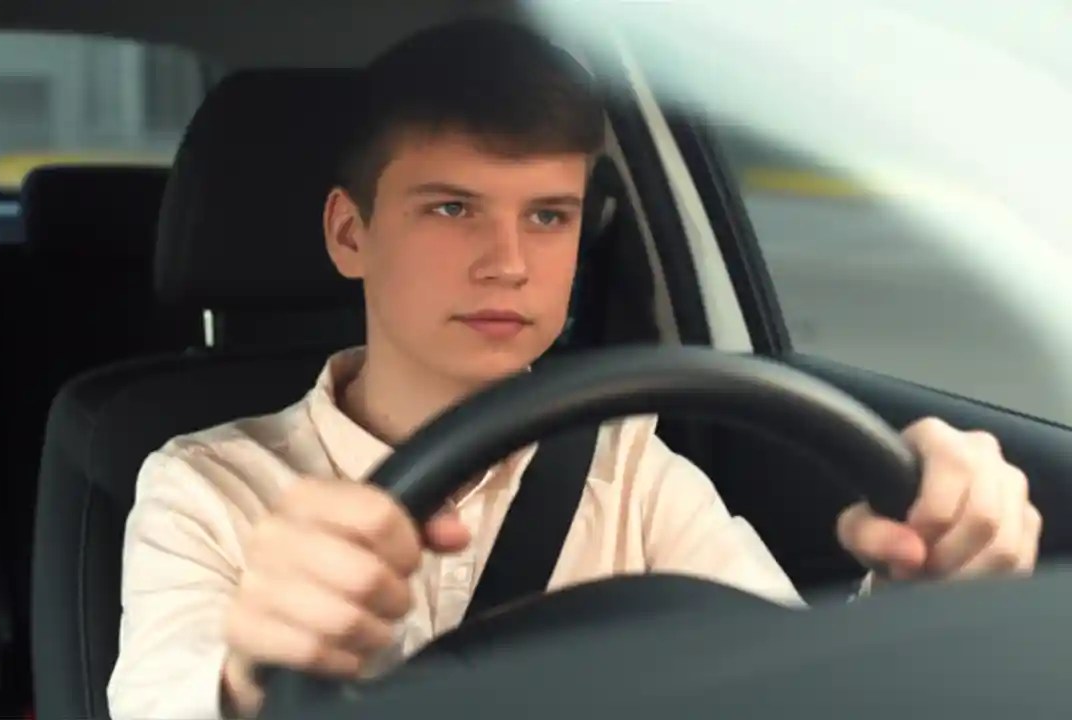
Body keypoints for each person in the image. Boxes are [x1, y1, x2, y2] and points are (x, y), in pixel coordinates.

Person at [106, 19, 1042, 720]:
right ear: (351, 233)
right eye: (451, 209)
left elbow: (793, 679)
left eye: (547, 216)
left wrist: (933, 584)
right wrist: (247, 675)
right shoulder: (206, 485)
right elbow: (165, 697)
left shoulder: (630, 471)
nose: (508, 261)